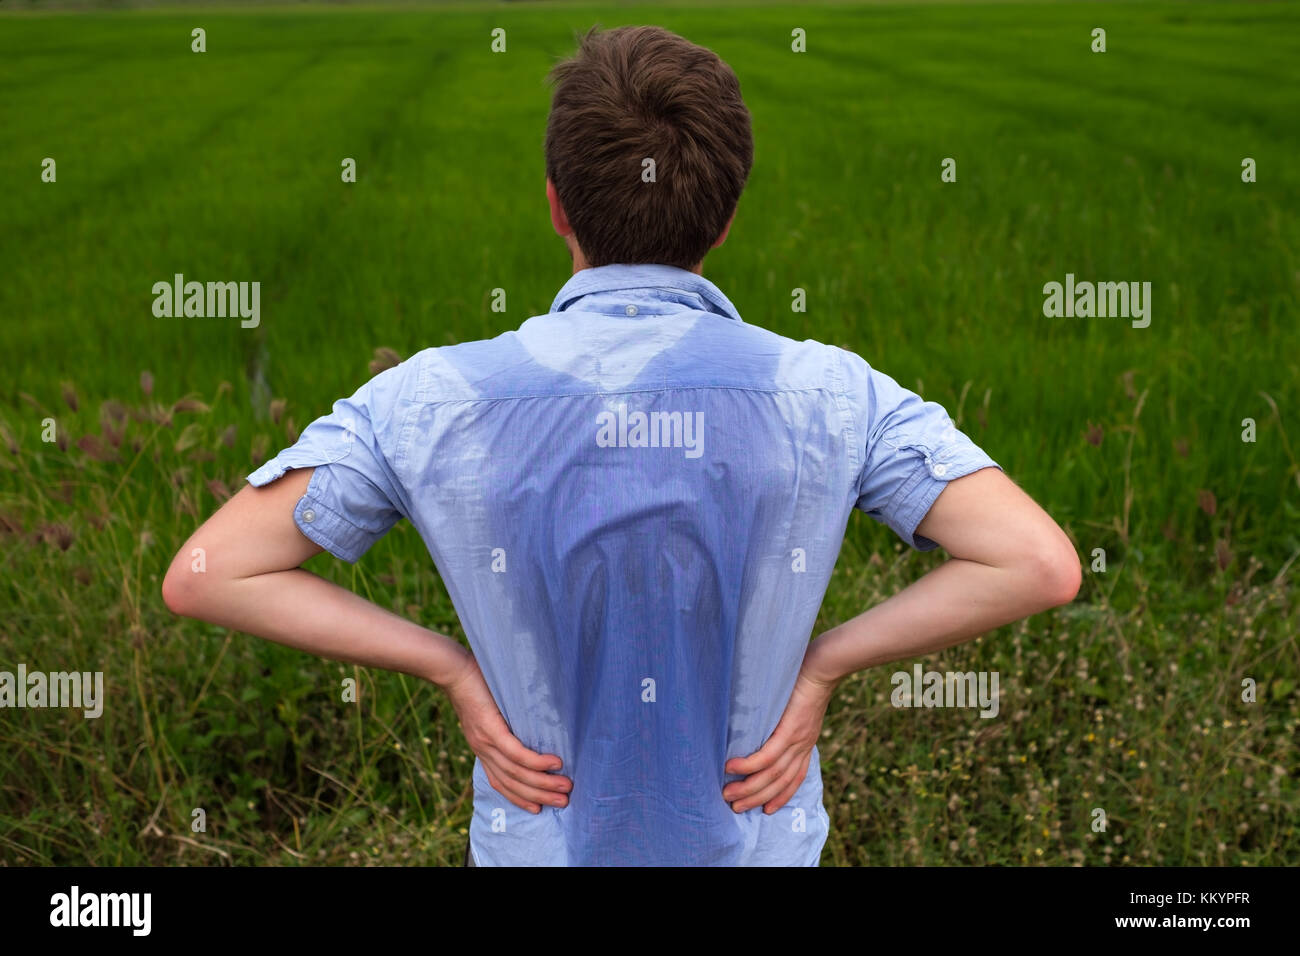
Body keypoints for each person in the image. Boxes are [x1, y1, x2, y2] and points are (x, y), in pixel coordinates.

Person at [162, 25, 1081, 867]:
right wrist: (821, 667)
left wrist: (448, 667)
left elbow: (206, 574)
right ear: (724, 218)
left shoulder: (429, 398)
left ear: (557, 206)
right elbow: (1038, 563)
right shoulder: (832, 393)